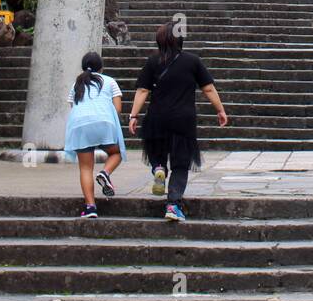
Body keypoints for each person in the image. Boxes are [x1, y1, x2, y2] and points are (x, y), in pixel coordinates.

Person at [128, 21, 227, 222]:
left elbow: (143, 90)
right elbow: (208, 88)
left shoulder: (152, 62)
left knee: (157, 152)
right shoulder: (192, 61)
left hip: (156, 117)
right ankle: (173, 205)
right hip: (183, 119)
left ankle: (158, 168)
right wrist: (220, 110)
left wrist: (133, 115)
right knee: (181, 164)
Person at [64, 51, 126, 220]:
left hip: (79, 124)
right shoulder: (110, 81)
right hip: (104, 120)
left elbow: (74, 106)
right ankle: (105, 173)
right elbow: (117, 109)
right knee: (116, 153)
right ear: (101, 67)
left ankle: (90, 206)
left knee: (85, 168)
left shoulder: (76, 84)